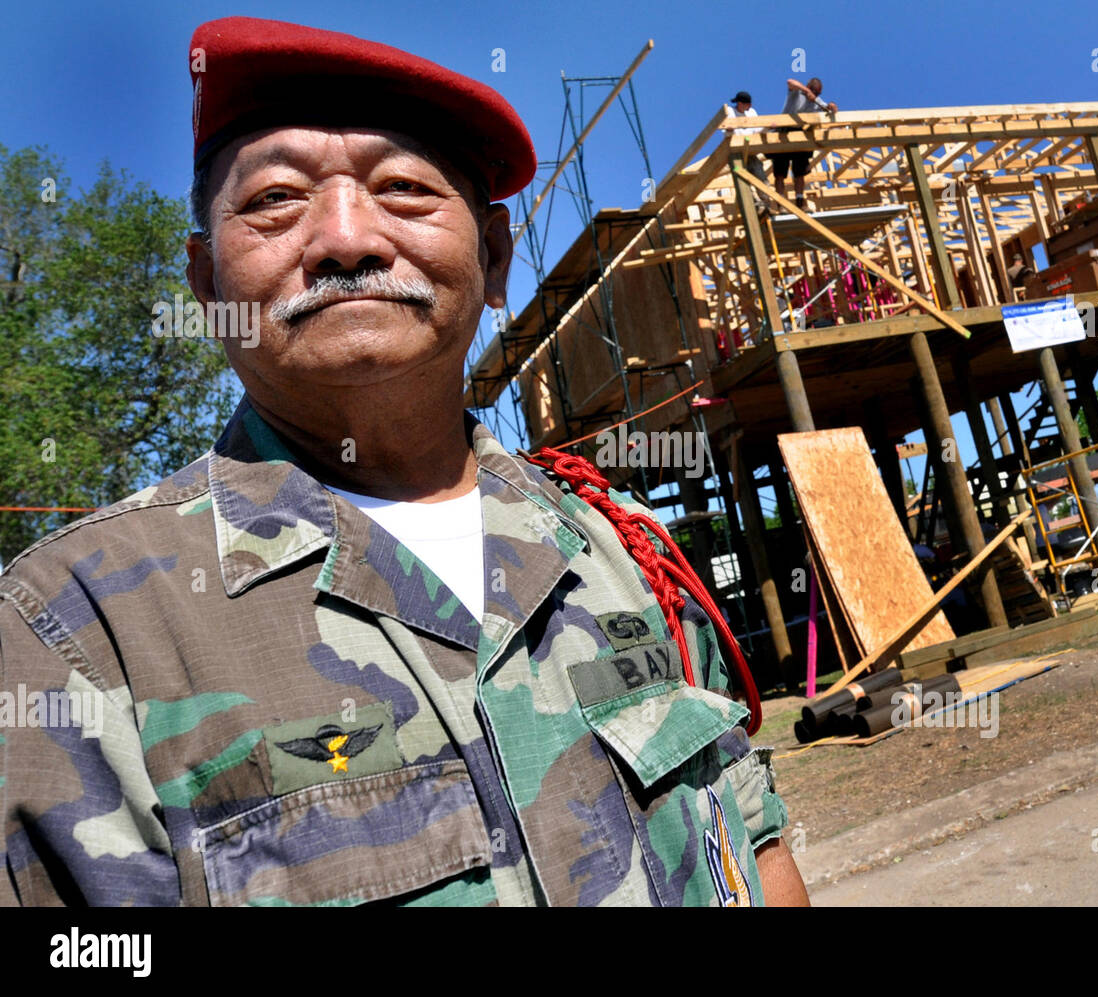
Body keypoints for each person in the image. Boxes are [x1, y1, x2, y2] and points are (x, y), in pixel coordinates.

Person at [0, 17, 805, 908]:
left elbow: (755, 845)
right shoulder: (76, 632)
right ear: (205, 284)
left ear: (495, 258)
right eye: (274, 198)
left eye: (405, 188)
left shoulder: (623, 548)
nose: (346, 239)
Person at [769, 77, 837, 209]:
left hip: (800, 135)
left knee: (799, 172)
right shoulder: (797, 92)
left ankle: (800, 201)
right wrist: (806, 91)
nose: (816, 95)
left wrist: (832, 106)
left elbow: (829, 110)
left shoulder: (816, 101)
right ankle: (780, 203)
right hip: (783, 133)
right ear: (809, 87)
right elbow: (789, 81)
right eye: (814, 92)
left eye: (818, 93)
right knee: (780, 173)